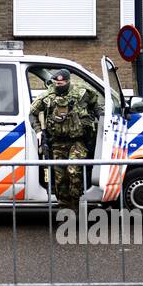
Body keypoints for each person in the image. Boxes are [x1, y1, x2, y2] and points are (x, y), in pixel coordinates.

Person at [30, 68, 99, 213]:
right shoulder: (47, 97)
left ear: (68, 82)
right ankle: (65, 211)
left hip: (77, 142)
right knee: (60, 179)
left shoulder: (82, 93)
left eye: (61, 83)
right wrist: (38, 131)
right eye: (56, 83)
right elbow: (32, 114)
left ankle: (75, 207)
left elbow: (96, 106)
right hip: (57, 143)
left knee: (73, 172)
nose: (58, 85)